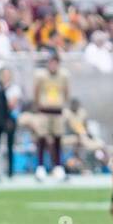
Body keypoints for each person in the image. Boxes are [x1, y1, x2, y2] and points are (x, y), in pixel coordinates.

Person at [32, 52, 68, 180]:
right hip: (44, 110)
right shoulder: (41, 76)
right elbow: (36, 91)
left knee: (58, 138)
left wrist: (62, 104)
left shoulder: (63, 76)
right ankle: (40, 167)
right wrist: (38, 105)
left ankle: (58, 166)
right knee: (41, 138)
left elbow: (66, 92)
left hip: (57, 111)